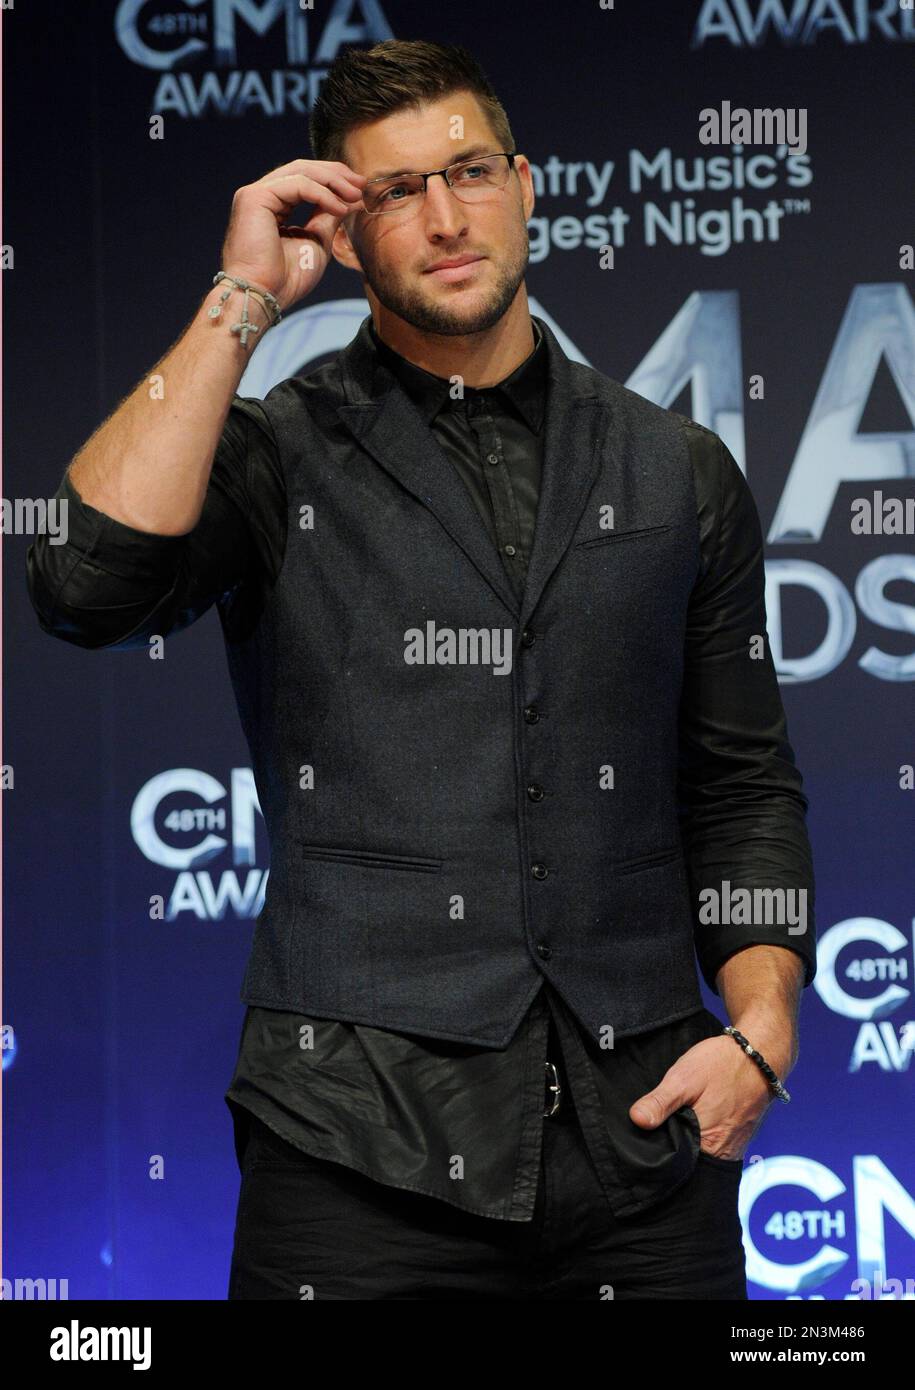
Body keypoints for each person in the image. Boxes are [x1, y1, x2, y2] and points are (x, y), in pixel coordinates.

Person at [26, 39, 816, 1300]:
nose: (445, 218)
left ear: (529, 184)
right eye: (395, 191)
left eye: (469, 173)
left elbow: (742, 788)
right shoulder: (278, 454)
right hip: (354, 1156)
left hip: (645, 1147)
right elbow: (81, 588)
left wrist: (764, 1035)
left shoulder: (676, 471)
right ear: (342, 230)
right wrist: (240, 299)